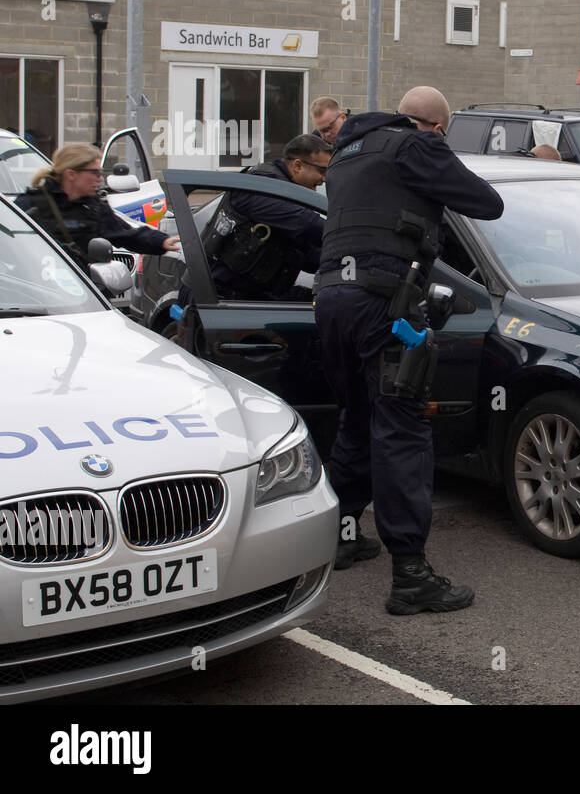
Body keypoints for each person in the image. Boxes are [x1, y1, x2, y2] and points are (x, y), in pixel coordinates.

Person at [314, 86, 503, 615]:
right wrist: (439, 159)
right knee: (401, 429)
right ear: (435, 126)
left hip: (331, 301)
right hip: (384, 306)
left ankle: (342, 533)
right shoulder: (417, 145)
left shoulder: (348, 154)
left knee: (357, 418)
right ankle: (411, 577)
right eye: (443, 131)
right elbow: (488, 202)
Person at [16, 142, 179, 276]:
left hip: (82, 292)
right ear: (71, 174)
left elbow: (126, 234)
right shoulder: (30, 204)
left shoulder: (94, 208)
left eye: (100, 173)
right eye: (94, 173)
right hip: (35, 288)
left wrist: (161, 241)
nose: (100, 179)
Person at [202, 134, 332, 301]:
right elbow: (305, 223)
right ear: (298, 165)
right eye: (322, 171)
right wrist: (350, 236)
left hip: (248, 295)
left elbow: (307, 253)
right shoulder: (260, 188)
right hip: (216, 297)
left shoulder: (288, 193)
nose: (324, 178)